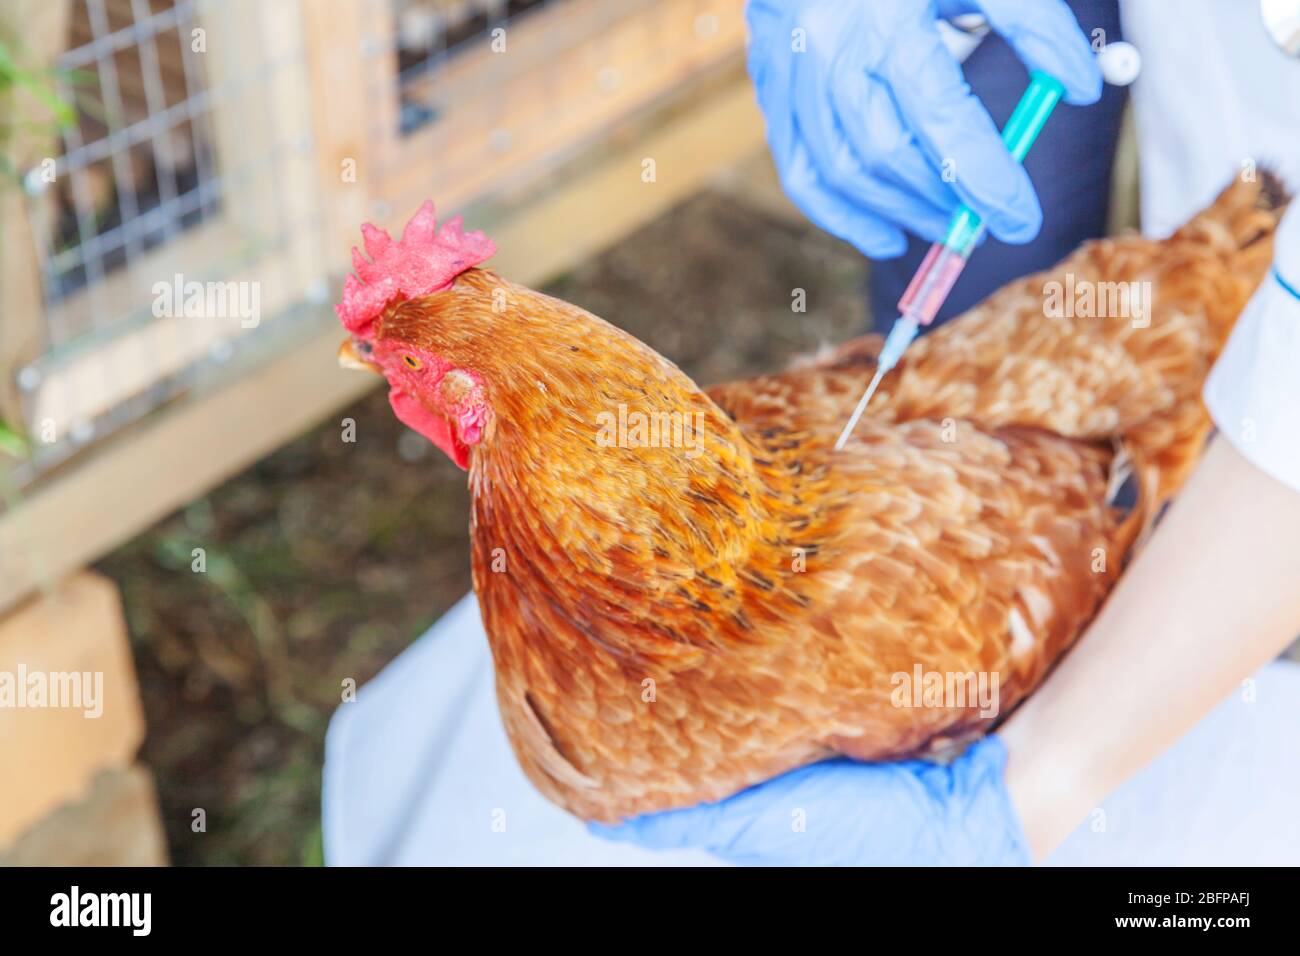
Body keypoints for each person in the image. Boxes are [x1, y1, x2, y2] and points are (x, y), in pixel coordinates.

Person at [322, 0, 1300, 866]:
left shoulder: (863, 646)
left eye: (409, 369)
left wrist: (1021, 793)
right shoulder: (630, 530)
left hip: (1136, 416)